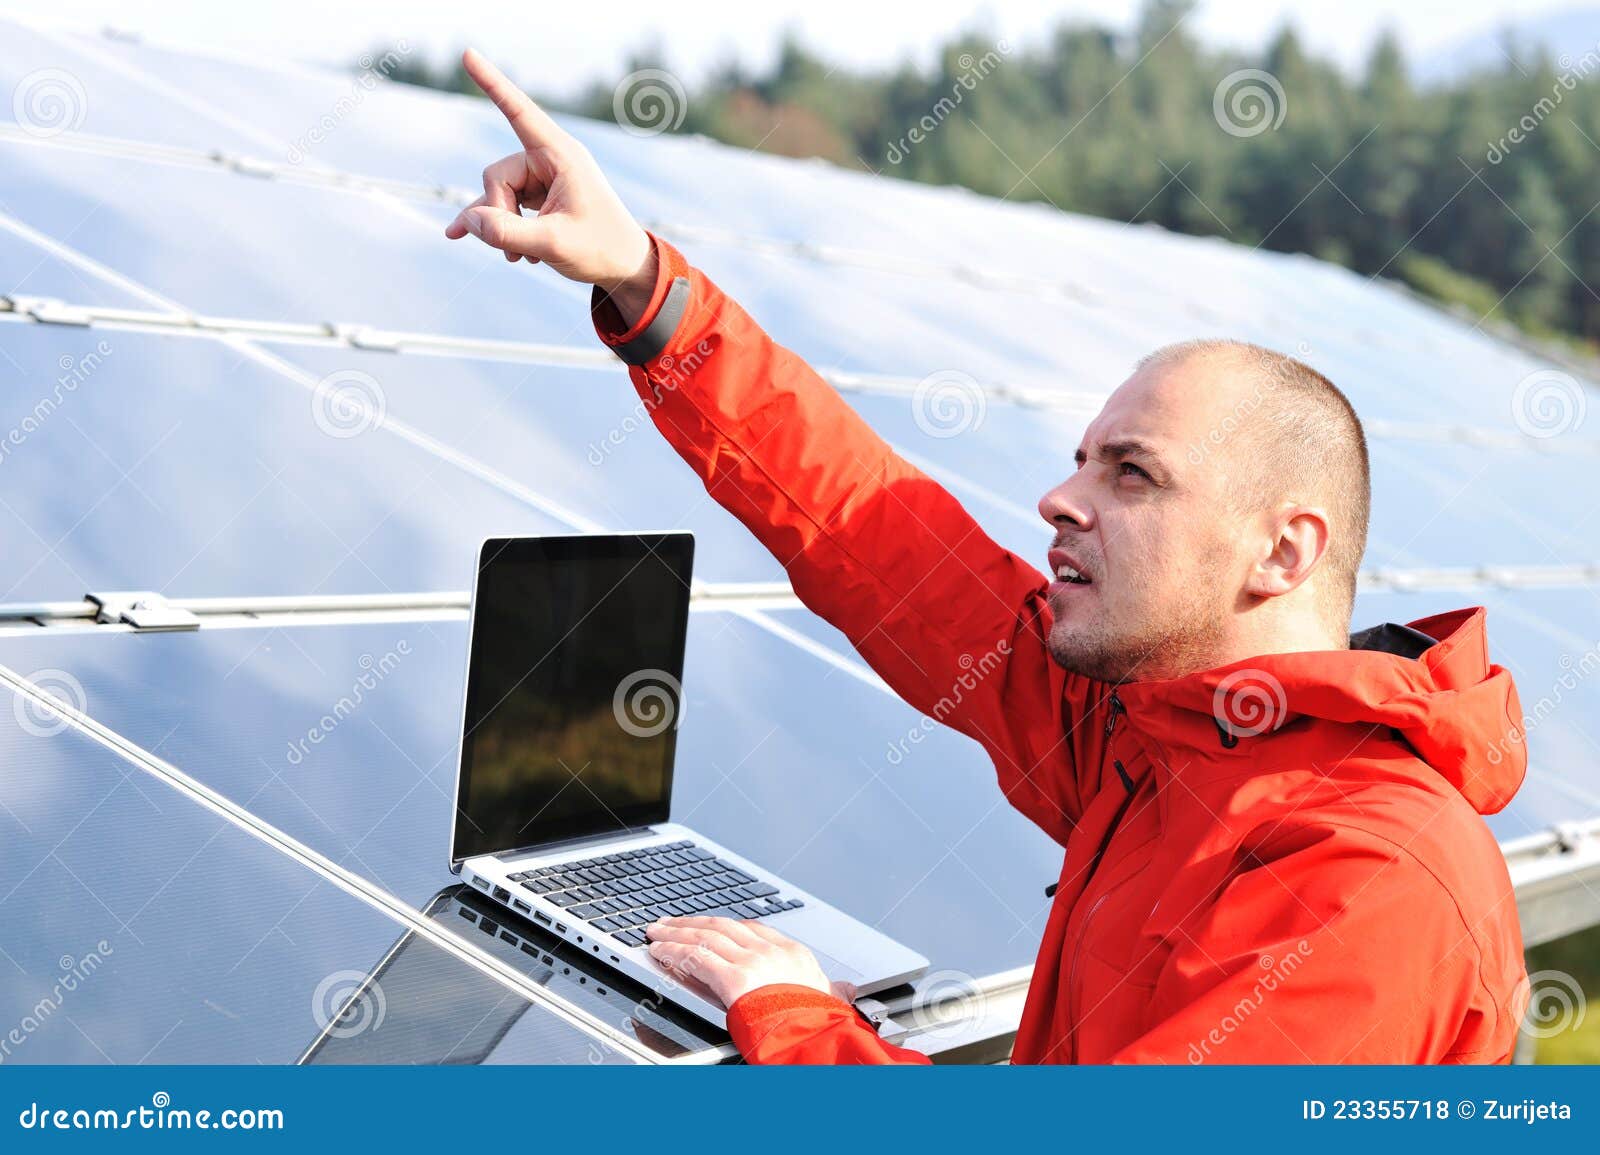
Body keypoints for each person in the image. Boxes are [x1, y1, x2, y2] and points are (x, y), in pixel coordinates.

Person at [444, 49, 1530, 1064]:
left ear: (1282, 553)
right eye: (1079, 463)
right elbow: (878, 535)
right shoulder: (1156, 743)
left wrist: (795, 1019)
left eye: (1131, 474)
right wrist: (645, 284)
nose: (1059, 499)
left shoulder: (1362, 879)